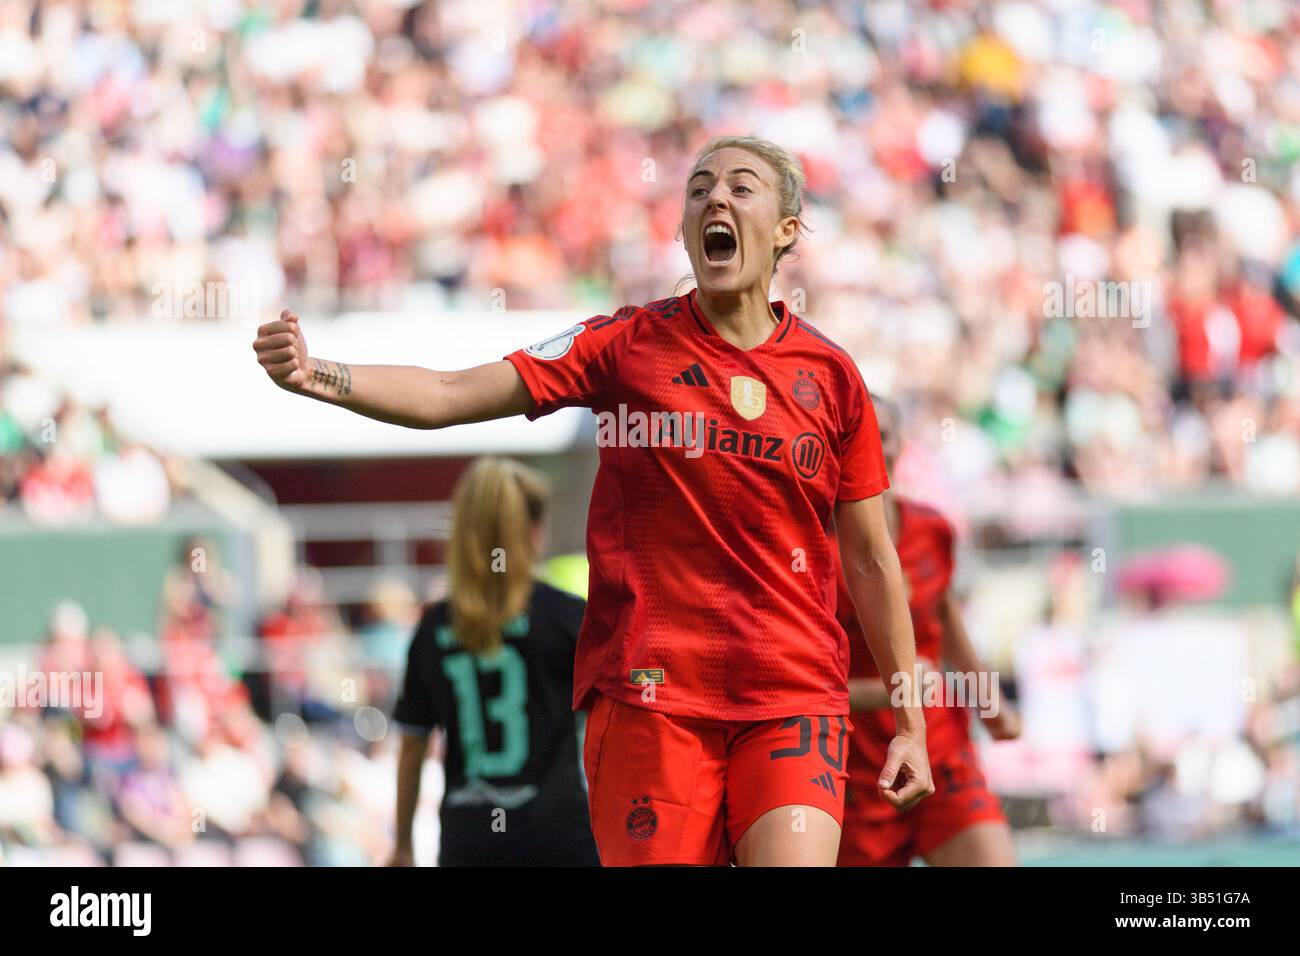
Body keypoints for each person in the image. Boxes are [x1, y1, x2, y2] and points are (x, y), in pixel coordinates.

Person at [254, 135, 931, 866]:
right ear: (683, 229)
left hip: (792, 698)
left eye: (741, 187)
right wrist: (318, 375)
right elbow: (451, 394)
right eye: (699, 188)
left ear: (787, 230)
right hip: (651, 703)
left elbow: (869, 560)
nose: (716, 199)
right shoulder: (624, 345)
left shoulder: (832, 377)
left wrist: (909, 722)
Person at [835, 396, 1020, 867]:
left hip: (942, 753)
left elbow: (945, 615)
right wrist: (887, 693)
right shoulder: (811, 551)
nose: (874, 449)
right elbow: (798, 685)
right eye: (860, 439)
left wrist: (989, 703)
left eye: (886, 437)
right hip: (857, 777)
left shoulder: (932, 529)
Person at [388, 457, 598, 866]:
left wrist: (402, 845)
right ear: (533, 532)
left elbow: (413, 743)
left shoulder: (434, 628)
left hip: (471, 839)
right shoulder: (568, 619)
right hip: (558, 836)